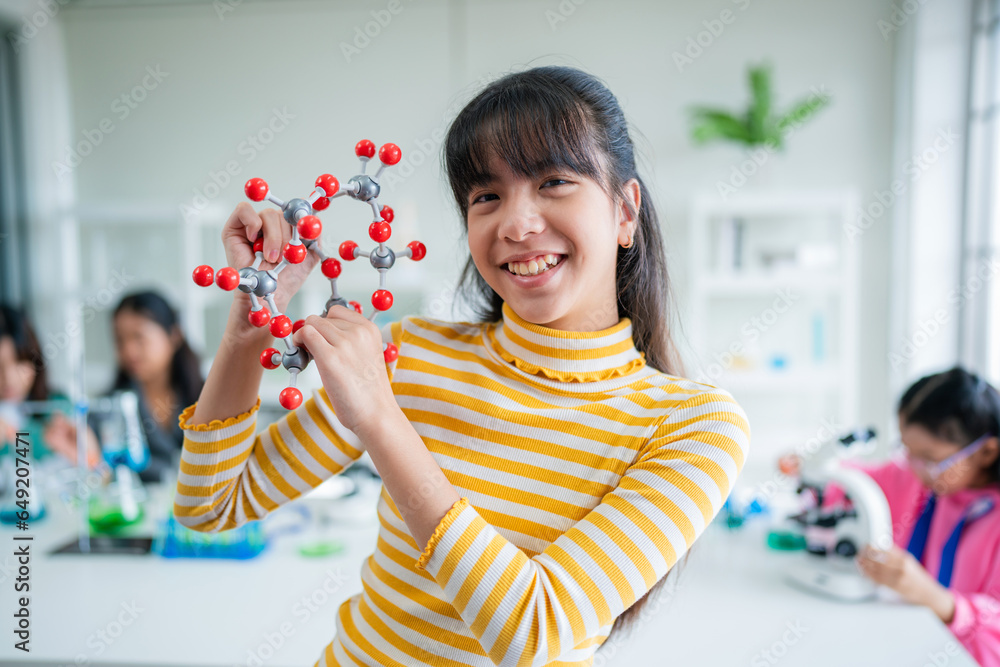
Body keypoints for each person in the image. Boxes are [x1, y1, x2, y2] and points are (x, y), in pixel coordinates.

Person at [173, 66, 751, 666]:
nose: (516, 224)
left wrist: (379, 418)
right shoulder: (412, 354)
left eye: (554, 181)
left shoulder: (694, 426)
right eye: (486, 196)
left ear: (625, 211)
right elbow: (210, 506)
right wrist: (247, 326)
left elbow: (531, 631)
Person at [844, 368, 1000, 667]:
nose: (915, 467)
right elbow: (858, 480)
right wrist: (816, 468)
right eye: (906, 450)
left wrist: (938, 601)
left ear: (987, 452)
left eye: (930, 458)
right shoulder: (914, 478)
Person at [46, 291, 205, 483]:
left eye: (139, 337)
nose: (129, 351)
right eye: (120, 340)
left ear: (174, 336)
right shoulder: (106, 411)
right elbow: (100, 477)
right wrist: (87, 457)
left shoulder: (207, 396)